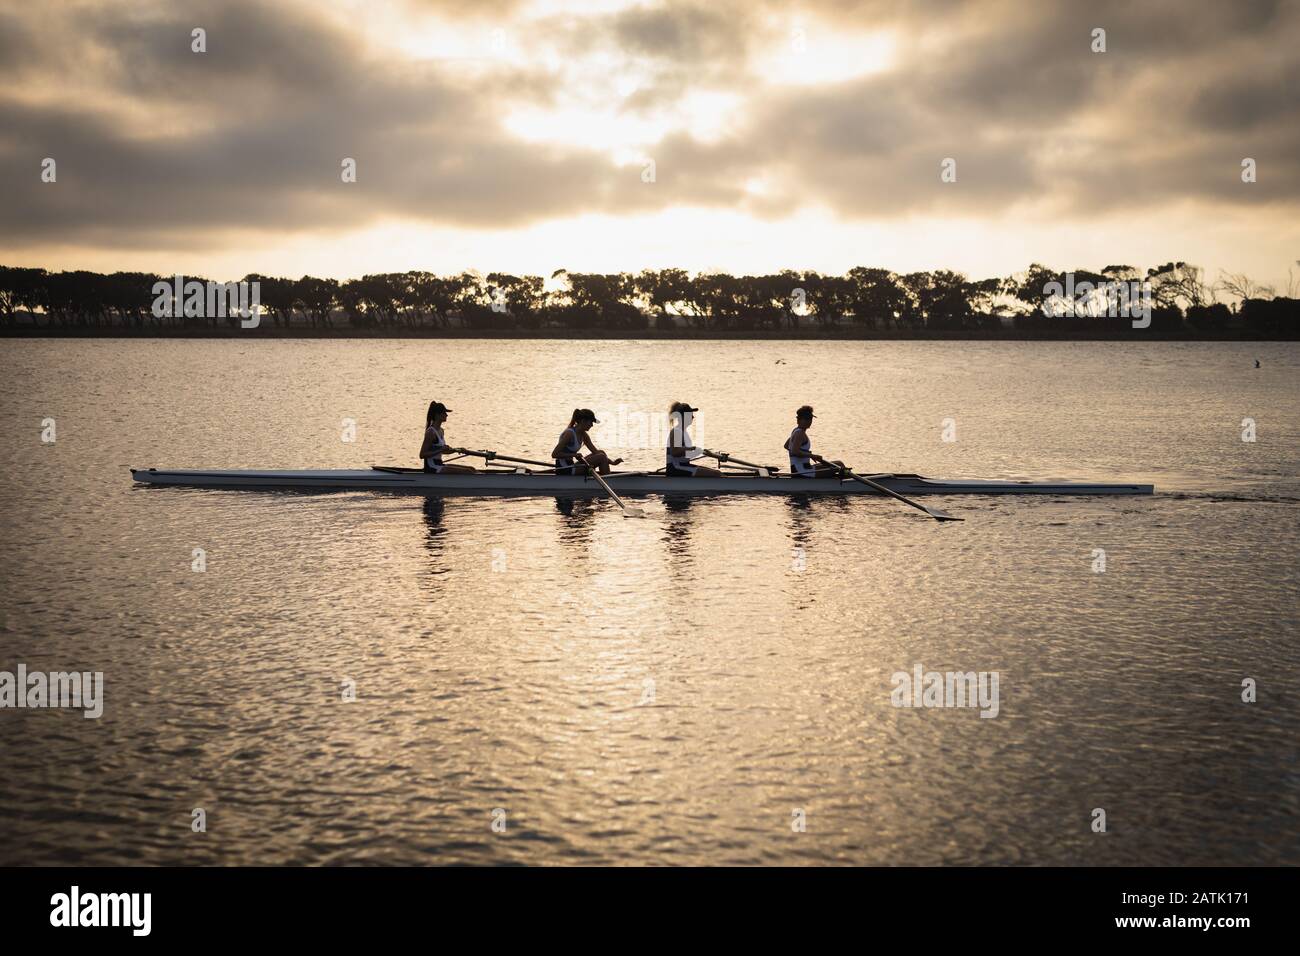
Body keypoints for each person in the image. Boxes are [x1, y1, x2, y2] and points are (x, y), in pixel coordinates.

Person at [552, 408, 622, 475]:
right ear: (583, 421)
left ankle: (606, 476)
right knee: (601, 457)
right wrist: (574, 455)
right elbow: (554, 454)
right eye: (591, 422)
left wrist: (612, 463)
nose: (592, 425)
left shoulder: (584, 435)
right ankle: (609, 481)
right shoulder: (569, 433)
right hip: (564, 468)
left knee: (601, 453)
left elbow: (596, 452)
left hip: (571, 465)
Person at [665, 401, 722, 477]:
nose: (693, 417)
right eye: (691, 415)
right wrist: (692, 448)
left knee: (717, 472)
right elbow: (675, 452)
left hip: (682, 466)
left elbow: (684, 454)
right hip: (675, 469)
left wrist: (701, 451)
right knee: (716, 474)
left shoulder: (683, 431)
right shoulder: (676, 432)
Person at [784, 405, 841, 478]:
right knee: (839, 465)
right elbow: (794, 451)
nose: (809, 421)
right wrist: (812, 455)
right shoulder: (799, 433)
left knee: (836, 464)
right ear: (799, 420)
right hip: (802, 472)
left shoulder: (795, 431)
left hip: (801, 469)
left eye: (810, 419)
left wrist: (806, 454)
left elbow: (786, 446)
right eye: (806, 419)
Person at [420, 401, 476, 474]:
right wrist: (441, 450)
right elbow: (422, 454)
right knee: (468, 472)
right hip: (432, 468)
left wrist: (457, 450)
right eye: (444, 413)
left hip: (439, 465)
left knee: (472, 469)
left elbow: (443, 451)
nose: (446, 415)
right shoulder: (431, 432)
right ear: (437, 415)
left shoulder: (441, 431)